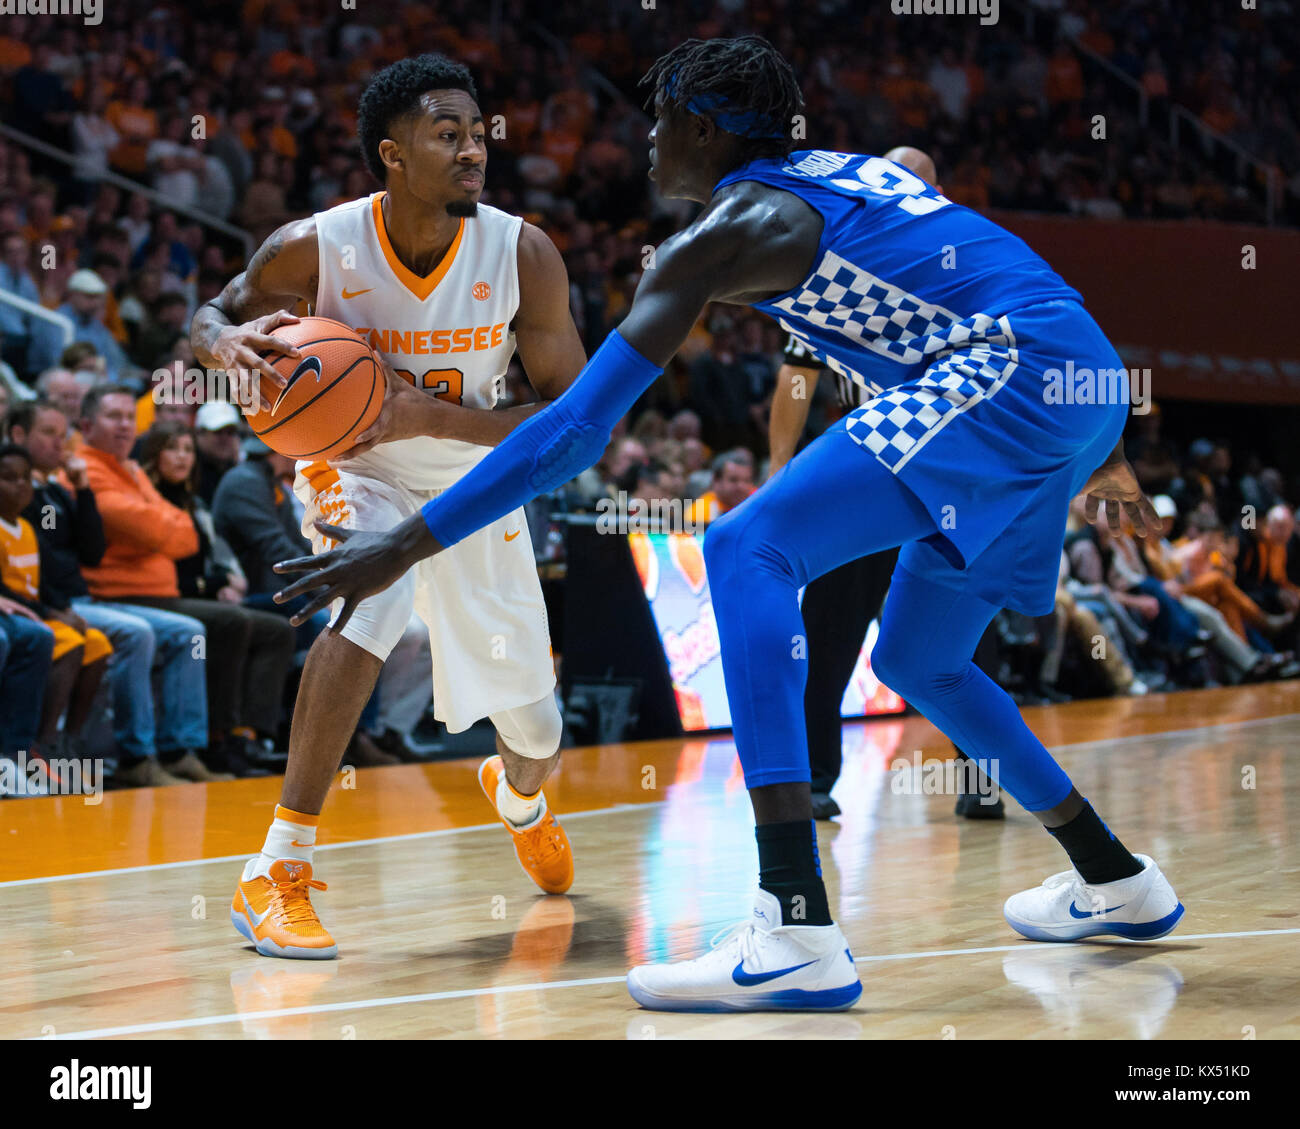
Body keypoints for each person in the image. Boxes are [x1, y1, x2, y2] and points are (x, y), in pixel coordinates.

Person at [273, 37, 1184, 1011]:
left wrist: (404, 545)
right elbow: (916, 181)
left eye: (662, 119)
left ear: (704, 128)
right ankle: (1114, 876)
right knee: (922, 662)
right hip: (1075, 375)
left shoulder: (729, 229)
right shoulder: (836, 176)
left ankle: (792, 920)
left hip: (1000, 373)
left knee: (744, 546)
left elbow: (576, 427)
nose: (649, 138)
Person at [190, 54, 589, 959]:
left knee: (536, 726)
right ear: (392, 153)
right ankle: (277, 868)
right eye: (447, 133)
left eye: (479, 133)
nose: (472, 149)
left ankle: (518, 794)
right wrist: (220, 342)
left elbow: (574, 421)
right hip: (353, 465)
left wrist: (432, 414)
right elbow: (212, 311)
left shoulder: (522, 252)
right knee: (374, 594)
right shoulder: (315, 245)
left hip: (476, 482)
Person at [139, 421, 297, 774]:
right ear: (153, 456)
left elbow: (217, 558)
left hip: (199, 594)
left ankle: (251, 736)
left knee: (276, 630)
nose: (182, 458)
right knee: (232, 621)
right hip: (159, 595)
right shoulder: (149, 500)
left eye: (188, 450)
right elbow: (169, 572)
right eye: (172, 449)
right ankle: (212, 739)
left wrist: (229, 579)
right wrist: (213, 585)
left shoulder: (194, 503)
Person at [76, 383, 215, 784]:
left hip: (151, 596)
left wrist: (164, 528)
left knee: (193, 633)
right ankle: (137, 759)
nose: (124, 426)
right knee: (142, 634)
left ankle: (178, 750)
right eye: (113, 417)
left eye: (128, 418)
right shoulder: (84, 470)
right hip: (111, 595)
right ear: (86, 424)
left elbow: (186, 537)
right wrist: (165, 530)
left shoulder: (131, 470)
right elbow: (162, 531)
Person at [0, 444, 111, 758]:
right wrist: (51, 612)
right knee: (67, 643)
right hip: (21, 615)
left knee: (97, 643)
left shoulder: (26, 528)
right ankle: (42, 744)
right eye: (9, 478)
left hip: (35, 612)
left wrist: (63, 609)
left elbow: (47, 582)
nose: (21, 485)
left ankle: (69, 742)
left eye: (25, 478)